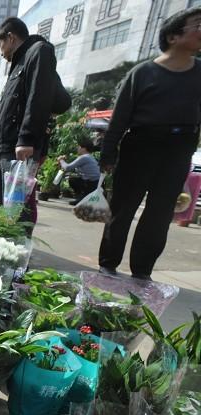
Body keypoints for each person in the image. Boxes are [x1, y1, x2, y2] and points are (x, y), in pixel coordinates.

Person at [98, 7, 201, 280]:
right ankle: (108, 264)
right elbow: (119, 118)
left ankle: (142, 271)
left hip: (179, 147)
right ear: (173, 36)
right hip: (140, 145)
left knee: (159, 213)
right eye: (197, 25)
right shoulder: (143, 73)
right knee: (122, 208)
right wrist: (108, 154)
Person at [0, 17, 60, 206]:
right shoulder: (18, 63)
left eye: (0, 44)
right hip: (3, 150)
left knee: (15, 214)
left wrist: (26, 138)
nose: (0, 52)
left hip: (18, 149)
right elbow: (4, 113)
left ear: (10, 37)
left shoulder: (39, 51)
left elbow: (39, 96)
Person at [58, 138, 101, 205]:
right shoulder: (89, 157)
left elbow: (67, 167)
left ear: (84, 148)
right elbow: (74, 168)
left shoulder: (84, 157)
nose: (77, 148)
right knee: (73, 178)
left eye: (79, 147)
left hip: (92, 184)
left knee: (72, 180)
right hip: (95, 183)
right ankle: (82, 198)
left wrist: (61, 160)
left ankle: (81, 199)